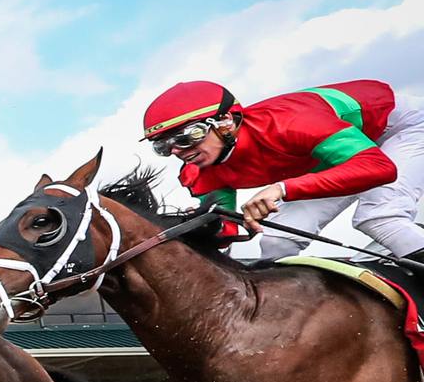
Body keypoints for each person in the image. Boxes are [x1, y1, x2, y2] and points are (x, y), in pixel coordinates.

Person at [141, 78, 424, 264]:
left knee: (380, 216)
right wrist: (206, 228)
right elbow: (225, 229)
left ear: (226, 121)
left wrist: (282, 189)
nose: (178, 151)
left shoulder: (291, 123)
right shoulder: (202, 169)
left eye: (187, 137)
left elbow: (379, 168)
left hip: (397, 129)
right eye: (163, 147)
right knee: (277, 243)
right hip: (332, 154)